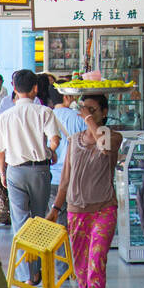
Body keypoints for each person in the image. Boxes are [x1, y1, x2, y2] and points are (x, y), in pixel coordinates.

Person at [48, 94, 121, 288]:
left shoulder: (112, 137)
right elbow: (65, 179)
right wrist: (55, 208)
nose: (87, 112)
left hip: (104, 210)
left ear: (104, 112)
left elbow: (103, 142)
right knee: (80, 268)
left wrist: (88, 118)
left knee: (96, 262)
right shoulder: (74, 141)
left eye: (93, 109)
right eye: (85, 108)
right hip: (76, 211)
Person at [0, 69, 61, 284]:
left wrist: (2, 173)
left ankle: (26, 276)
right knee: (39, 220)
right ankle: (38, 267)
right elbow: (55, 139)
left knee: (20, 223)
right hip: (39, 170)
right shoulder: (44, 112)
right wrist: (50, 152)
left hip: (14, 172)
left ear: (14, 88)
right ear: (36, 88)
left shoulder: (5, 117)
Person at [49, 87, 88, 226]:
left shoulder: (46, 116)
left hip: (53, 177)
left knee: (57, 227)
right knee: (78, 225)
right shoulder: (79, 117)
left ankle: (62, 249)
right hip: (76, 178)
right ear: (66, 97)